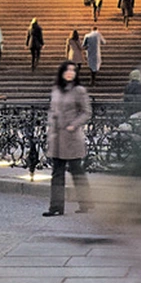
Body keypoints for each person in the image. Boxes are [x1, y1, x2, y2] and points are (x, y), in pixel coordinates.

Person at [43, 60, 92, 217]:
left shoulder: (79, 91)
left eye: (73, 70)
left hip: (71, 137)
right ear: (62, 72)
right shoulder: (56, 89)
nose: (70, 72)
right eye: (67, 70)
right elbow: (52, 110)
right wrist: (50, 126)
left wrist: (74, 125)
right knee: (57, 172)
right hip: (57, 137)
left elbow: (86, 112)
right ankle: (55, 206)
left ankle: (86, 202)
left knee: (77, 171)